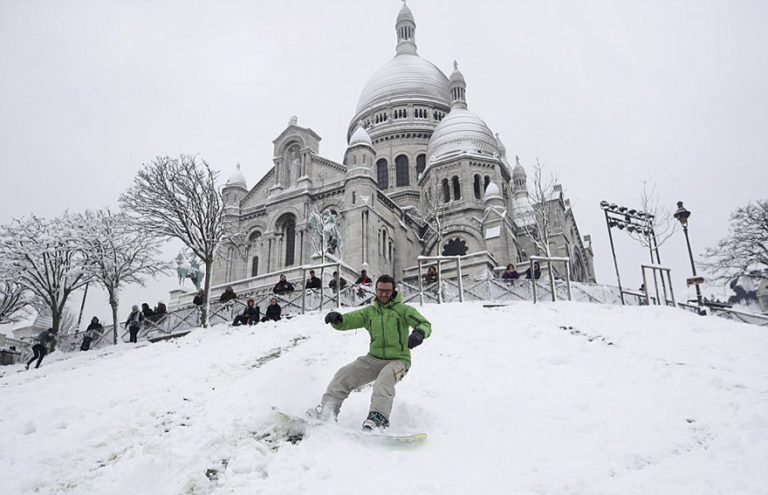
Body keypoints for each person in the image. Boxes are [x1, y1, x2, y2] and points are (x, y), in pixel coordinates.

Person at [310, 274, 432, 431]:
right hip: (373, 359)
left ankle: (378, 418)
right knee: (344, 374)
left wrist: (419, 333)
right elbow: (349, 320)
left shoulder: (403, 310)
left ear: (393, 291)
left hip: (399, 360)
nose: (383, 294)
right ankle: (327, 411)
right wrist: (338, 319)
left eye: (387, 291)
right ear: (376, 290)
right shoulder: (370, 312)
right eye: (380, 291)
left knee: (385, 379)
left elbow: (424, 323)